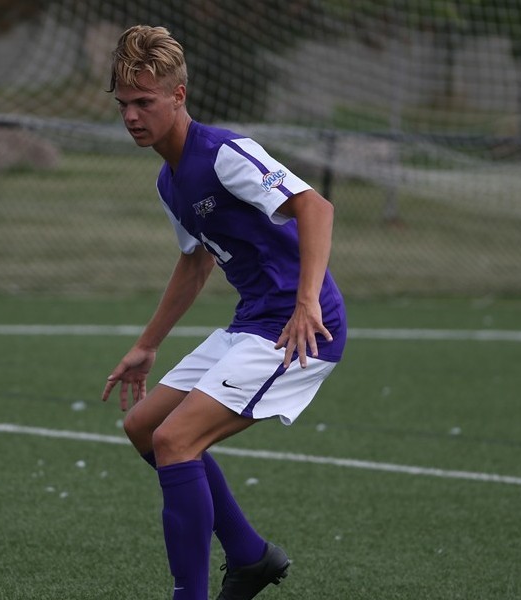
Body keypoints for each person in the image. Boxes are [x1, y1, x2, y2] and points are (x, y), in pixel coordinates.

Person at [101, 25, 346, 600]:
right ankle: (249, 555)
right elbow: (194, 264)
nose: (133, 116)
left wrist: (307, 301)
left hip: (299, 329)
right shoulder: (169, 181)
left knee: (176, 441)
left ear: (178, 96)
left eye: (145, 102)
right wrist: (146, 344)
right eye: (124, 105)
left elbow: (316, 208)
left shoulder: (224, 155)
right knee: (143, 427)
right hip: (252, 322)